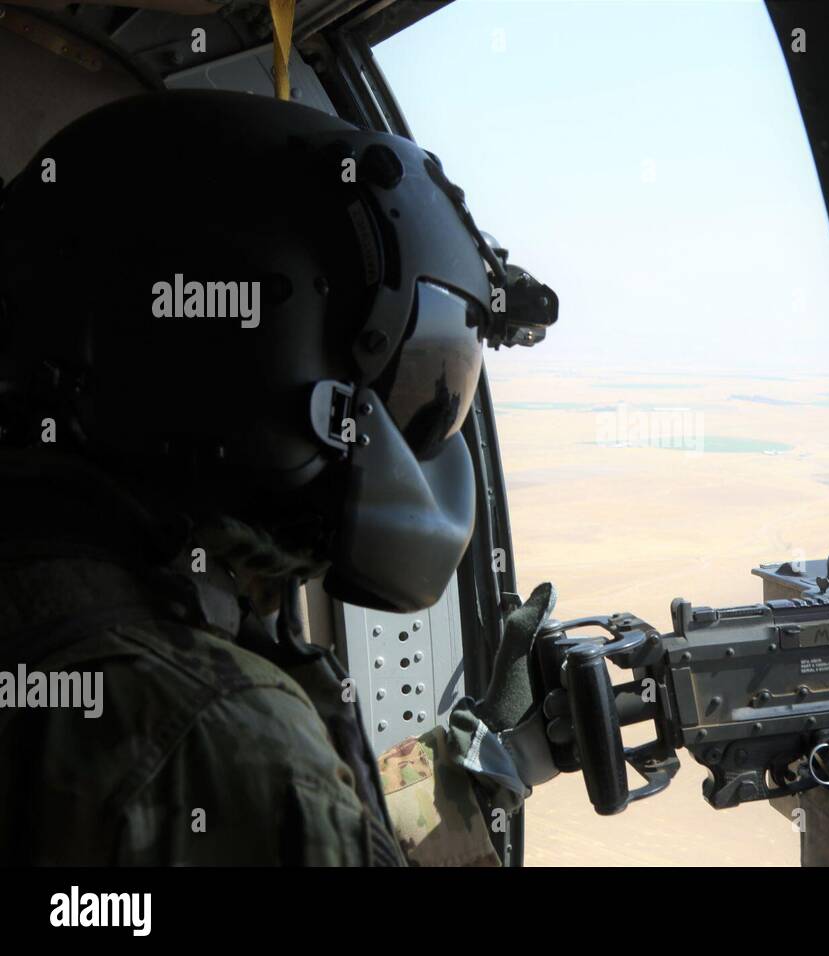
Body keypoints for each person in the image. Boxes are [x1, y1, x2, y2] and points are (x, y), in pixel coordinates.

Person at [0, 89, 554, 865]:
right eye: (414, 386)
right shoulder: (206, 724)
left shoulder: (69, 597)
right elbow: (276, 800)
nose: (422, 432)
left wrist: (495, 756)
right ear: (269, 350)